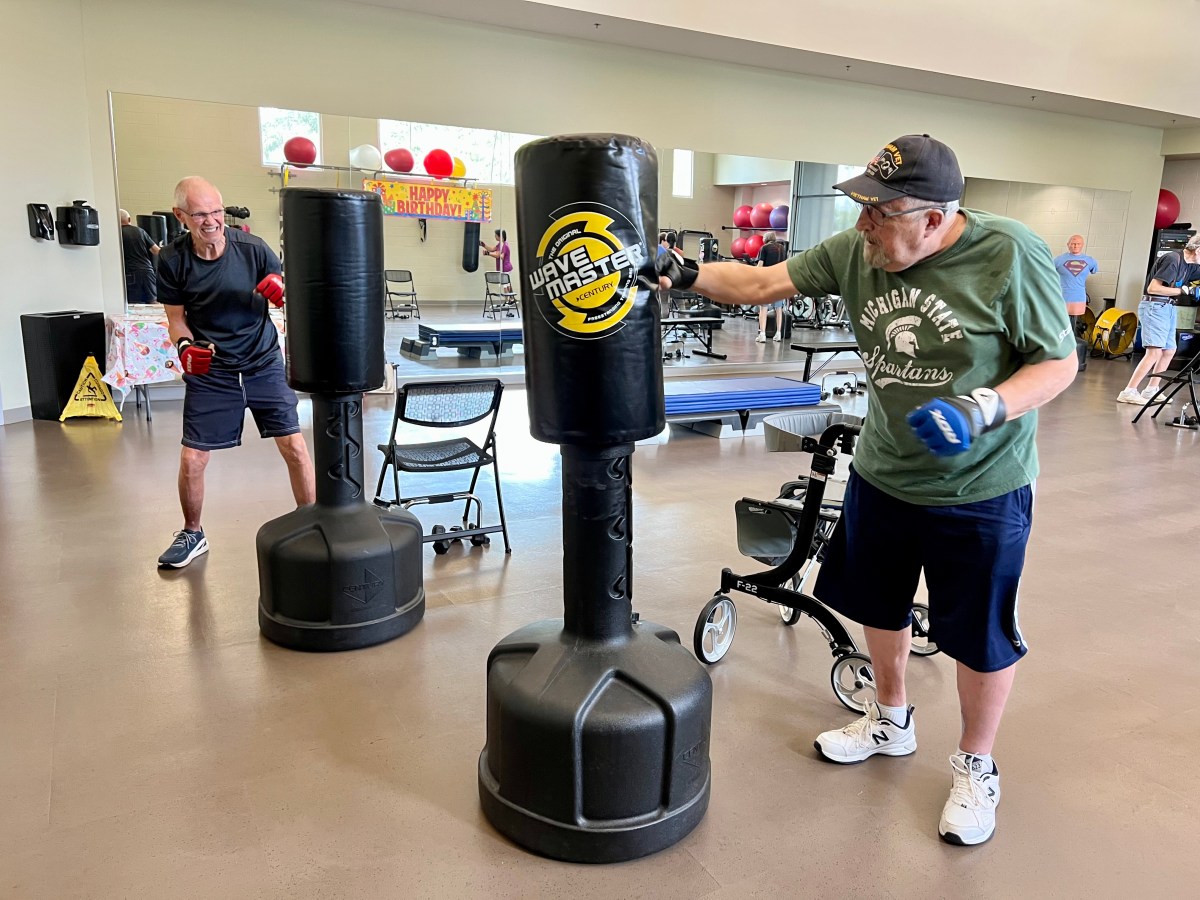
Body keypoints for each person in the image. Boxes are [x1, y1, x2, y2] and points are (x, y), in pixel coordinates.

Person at [658, 134, 1077, 846]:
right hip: (884, 472)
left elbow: (1059, 364)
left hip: (981, 487)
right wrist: (683, 271)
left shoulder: (1010, 254)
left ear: (936, 218)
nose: (863, 227)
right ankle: (891, 718)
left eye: (880, 213)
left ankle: (977, 764)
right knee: (878, 604)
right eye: (862, 210)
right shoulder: (859, 251)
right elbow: (761, 284)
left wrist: (983, 408)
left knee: (975, 634)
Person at [156, 176, 315, 568]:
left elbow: (291, 301)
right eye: (200, 214)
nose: (211, 221)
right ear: (181, 216)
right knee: (193, 458)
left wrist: (284, 295)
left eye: (216, 212)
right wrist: (183, 347)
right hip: (213, 370)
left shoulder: (254, 249)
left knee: (294, 446)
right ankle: (192, 533)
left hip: (261, 361)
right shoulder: (173, 260)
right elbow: (175, 319)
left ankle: (313, 522)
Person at [1116, 235, 1200, 404]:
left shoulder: (1190, 265)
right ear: (1198, 250)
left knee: (1169, 351)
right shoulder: (1173, 259)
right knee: (1154, 352)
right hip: (1155, 306)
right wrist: (1184, 291)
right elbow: (1153, 288)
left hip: (1168, 308)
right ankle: (1129, 391)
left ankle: (1151, 390)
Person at [1052, 234, 1098, 329]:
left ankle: (1073, 341)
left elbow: (1094, 270)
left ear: (1082, 245)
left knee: (1073, 325)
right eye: (1073, 243)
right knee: (1060, 323)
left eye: (1078, 244)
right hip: (1063, 296)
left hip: (1079, 297)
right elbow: (1048, 271)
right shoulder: (1058, 260)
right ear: (1068, 244)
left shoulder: (1090, 261)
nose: (1075, 246)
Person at [119, 209, 160, 303]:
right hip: (146, 272)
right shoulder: (140, 231)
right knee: (154, 301)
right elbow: (157, 251)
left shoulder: (116, 234)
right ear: (129, 219)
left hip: (129, 274)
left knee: (134, 304)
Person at [755, 231, 789, 342]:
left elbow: (760, 266)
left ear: (765, 239)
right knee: (779, 309)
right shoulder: (782, 248)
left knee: (763, 308)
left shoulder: (764, 248)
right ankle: (778, 333)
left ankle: (763, 334)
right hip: (779, 281)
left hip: (767, 281)